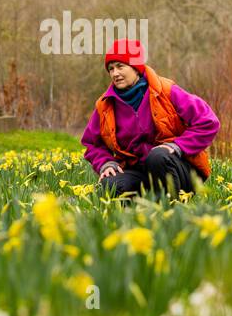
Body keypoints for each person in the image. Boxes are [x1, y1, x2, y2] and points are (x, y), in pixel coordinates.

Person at [80, 38, 220, 199]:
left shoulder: (167, 91)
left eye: (120, 66)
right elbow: (92, 143)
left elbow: (208, 121)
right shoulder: (104, 105)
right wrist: (105, 163)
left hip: (177, 167)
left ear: (136, 68)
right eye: (111, 69)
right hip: (138, 171)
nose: (115, 73)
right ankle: (135, 218)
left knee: (157, 156)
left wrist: (178, 146)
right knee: (110, 185)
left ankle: (170, 209)